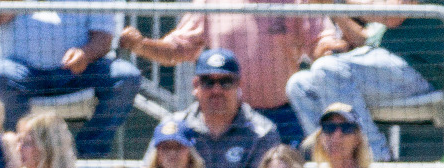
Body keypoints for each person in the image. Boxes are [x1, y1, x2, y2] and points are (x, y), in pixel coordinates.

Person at [119, 7, 339, 147]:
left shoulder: (298, 2)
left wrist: (329, 49)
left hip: (283, 117)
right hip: (225, 122)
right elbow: (177, 49)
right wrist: (141, 45)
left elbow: (322, 44)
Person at [285, 0, 437, 162]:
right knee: (300, 85)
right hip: (387, 73)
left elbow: (393, 15)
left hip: (423, 72)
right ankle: (332, 162)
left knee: (328, 69)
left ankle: (375, 160)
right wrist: (334, 9)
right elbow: (364, 40)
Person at [0, 6, 140, 159]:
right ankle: (21, 156)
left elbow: (103, 38)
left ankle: (86, 155)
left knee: (126, 76)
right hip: (21, 73)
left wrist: (86, 53)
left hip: (78, 73)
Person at [141, 54, 281, 168]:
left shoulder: (262, 132)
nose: (216, 90)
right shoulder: (174, 126)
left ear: (239, 85)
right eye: (208, 82)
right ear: (196, 85)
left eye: (225, 82)